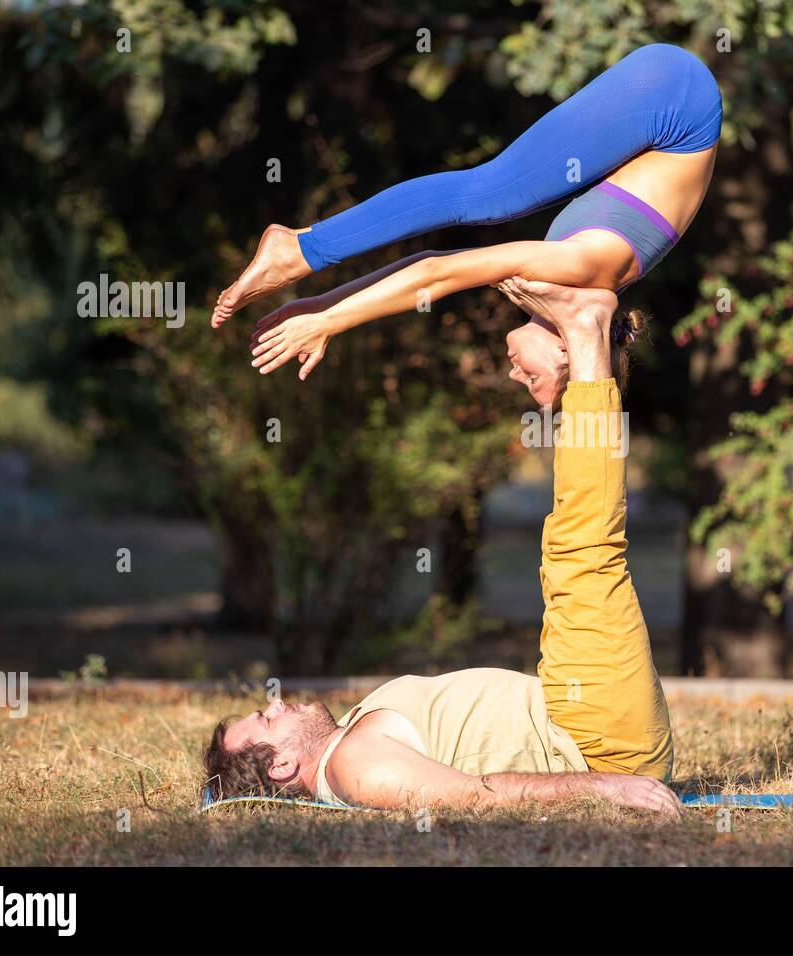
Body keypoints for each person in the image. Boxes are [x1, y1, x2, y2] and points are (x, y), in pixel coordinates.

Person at [203, 282, 680, 816]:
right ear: (282, 766)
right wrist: (606, 788)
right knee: (583, 548)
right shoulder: (357, 767)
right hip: (596, 738)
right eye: (267, 721)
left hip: (573, 704)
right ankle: (585, 334)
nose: (273, 703)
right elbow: (479, 796)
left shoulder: (350, 738)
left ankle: (586, 342)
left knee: (570, 546)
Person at [210, 43, 721, 406]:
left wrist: (327, 304)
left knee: (493, 197)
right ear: (567, 351)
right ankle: (299, 250)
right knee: (489, 196)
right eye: (533, 380)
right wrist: (327, 323)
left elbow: (435, 263)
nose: (513, 372)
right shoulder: (587, 270)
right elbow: (438, 279)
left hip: (669, 107)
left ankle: (305, 249)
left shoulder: (557, 289)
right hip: (676, 101)